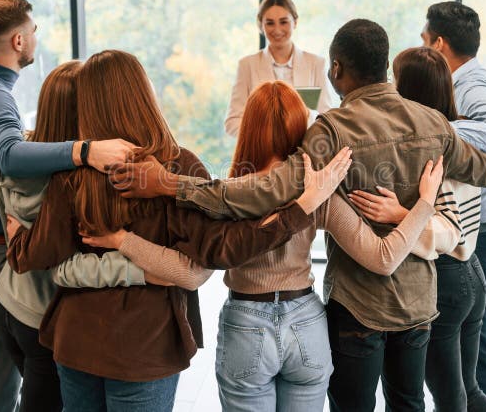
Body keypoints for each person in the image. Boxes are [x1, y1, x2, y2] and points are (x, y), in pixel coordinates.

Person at [110, 19, 486, 412]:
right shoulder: (432, 122)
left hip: (356, 305)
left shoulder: (334, 130)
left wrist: (171, 184)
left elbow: (267, 191)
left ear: (337, 69)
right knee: (408, 403)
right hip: (414, 302)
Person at [4, 49, 350, 412]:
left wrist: (17, 238)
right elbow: (210, 258)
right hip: (147, 344)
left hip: (77, 339)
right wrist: (300, 209)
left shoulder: (74, 173)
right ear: (144, 93)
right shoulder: (179, 164)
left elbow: (39, 254)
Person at [84, 80, 446, 412]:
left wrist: (120, 240)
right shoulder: (318, 191)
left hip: (246, 323)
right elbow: (384, 259)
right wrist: (423, 205)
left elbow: (192, 270)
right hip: (307, 324)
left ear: (248, 128)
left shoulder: (225, 197)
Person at [0, 0, 130, 412]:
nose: (36, 38)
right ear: (19, 40)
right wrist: (84, 150)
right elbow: (8, 155)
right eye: (34, 32)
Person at [350, 47, 486, 412]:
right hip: (472, 274)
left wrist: (400, 214)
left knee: (451, 399)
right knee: (468, 391)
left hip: (449, 279)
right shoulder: (464, 134)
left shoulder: (434, 148)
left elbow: (446, 231)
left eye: (395, 80)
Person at [421, 1, 486, 403]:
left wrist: (435, 128)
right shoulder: (467, 78)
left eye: (424, 38)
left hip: (480, 230)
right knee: (472, 336)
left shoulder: (473, 83)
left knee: (476, 338)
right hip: (474, 224)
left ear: (440, 42)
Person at [224, 0, 335, 136]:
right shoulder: (247, 65)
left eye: (283, 22)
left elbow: (326, 120)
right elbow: (232, 123)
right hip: (262, 156)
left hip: (305, 153)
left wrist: (306, 121)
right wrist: (266, 138)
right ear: (261, 25)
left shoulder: (316, 64)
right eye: (270, 23)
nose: (277, 30)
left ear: (295, 22)